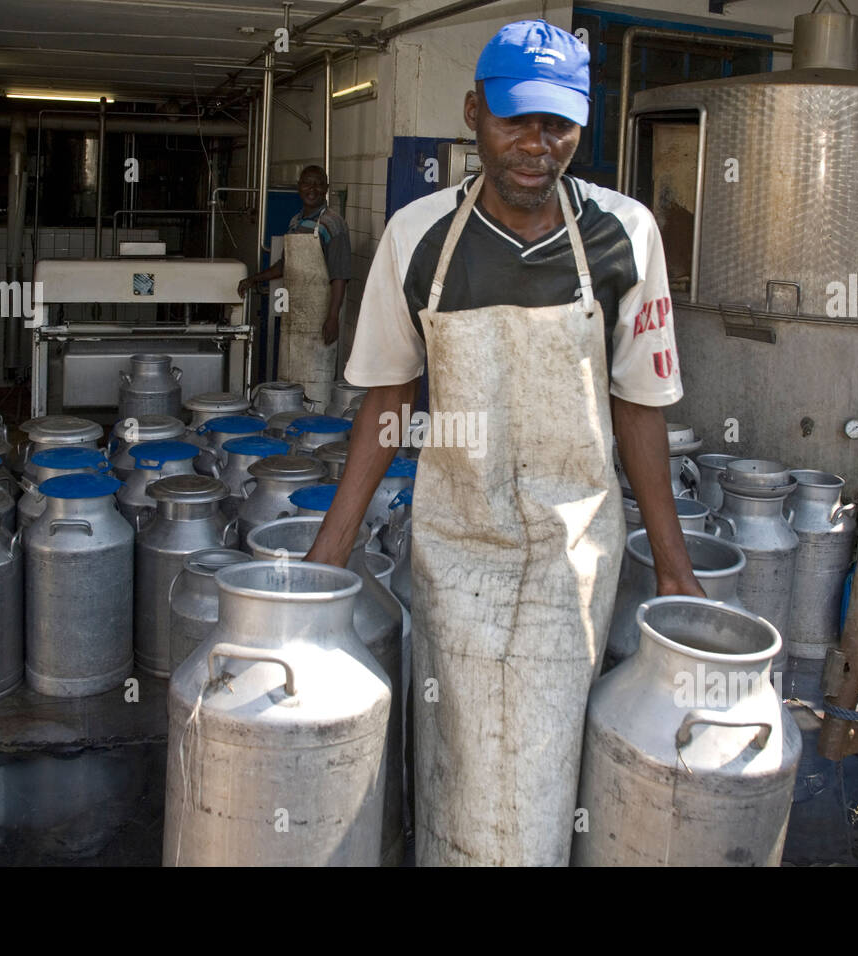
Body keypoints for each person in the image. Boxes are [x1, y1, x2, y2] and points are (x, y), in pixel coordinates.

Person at [305, 19, 704, 866]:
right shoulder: (418, 239)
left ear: (580, 126)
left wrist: (671, 564)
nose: (536, 145)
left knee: (542, 766)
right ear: (473, 112)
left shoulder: (624, 235)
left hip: (575, 558)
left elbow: (640, 403)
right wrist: (331, 551)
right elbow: (389, 396)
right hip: (454, 556)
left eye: (556, 124)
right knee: (459, 752)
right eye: (515, 119)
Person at [237, 165, 350, 347]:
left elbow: (340, 276)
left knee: (315, 373)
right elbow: (285, 265)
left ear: (326, 189)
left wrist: (333, 317)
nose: (312, 189)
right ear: (299, 187)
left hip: (320, 317)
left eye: (318, 184)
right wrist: (254, 279)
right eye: (307, 184)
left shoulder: (333, 224)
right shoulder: (296, 221)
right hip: (295, 312)